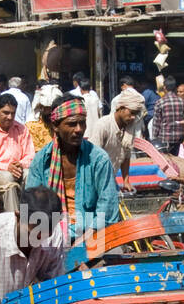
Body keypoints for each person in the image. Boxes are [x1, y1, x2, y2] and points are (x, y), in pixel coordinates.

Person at [26, 98, 121, 241]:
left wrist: (84, 240)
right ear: (55, 126)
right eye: (72, 124)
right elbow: (32, 206)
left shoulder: (98, 159)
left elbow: (107, 207)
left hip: (92, 233)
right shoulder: (41, 161)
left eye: (82, 123)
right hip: (51, 233)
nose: (79, 129)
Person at [87, 87, 145, 191]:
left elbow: (126, 157)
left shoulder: (128, 130)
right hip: (94, 180)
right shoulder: (103, 125)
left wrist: (126, 181)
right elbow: (92, 157)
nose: (133, 117)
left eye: (135, 114)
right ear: (121, 108)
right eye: (131, 113)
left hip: (110, 179)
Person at [150, 76, 184, 155]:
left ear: (164, 88)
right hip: (179, 138)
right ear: (175, 88)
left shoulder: (160, 102)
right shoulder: (182, 102)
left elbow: (156, 123)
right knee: (176, 161)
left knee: (165, 162)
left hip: (164, 138)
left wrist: (154, 138)